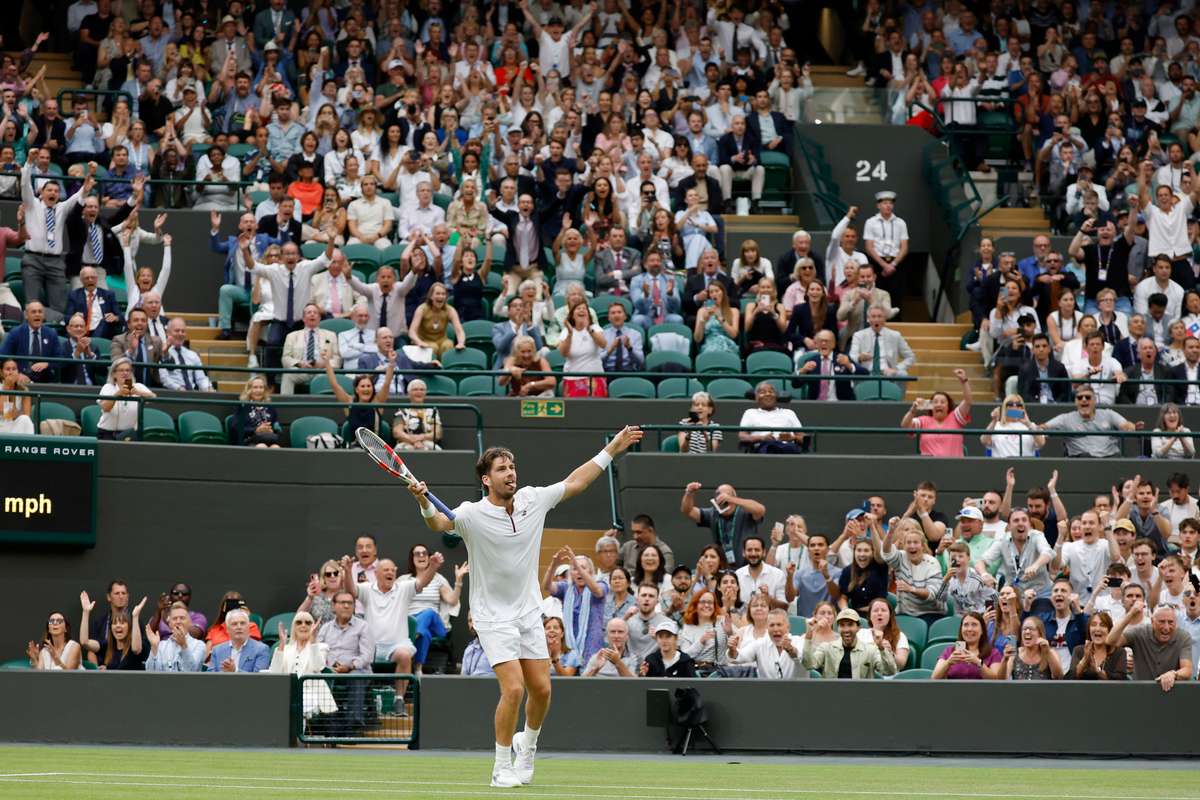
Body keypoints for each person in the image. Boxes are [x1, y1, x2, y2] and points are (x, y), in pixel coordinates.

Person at [408, 426, 643, 787]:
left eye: (512, 466)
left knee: (543, 690)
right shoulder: (470, 514)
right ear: (487, 479)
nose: (511, 472)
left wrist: (612, 448)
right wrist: (424, 501)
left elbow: (576, 482)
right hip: (492, 616)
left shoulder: (534, 499)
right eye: (502, 469)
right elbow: (439, 521)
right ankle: (501, 766)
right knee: (514, 689)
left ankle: (527, 744)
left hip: (529, 611)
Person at [542, 546, 608, 670]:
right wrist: (553, 565)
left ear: (590, 571)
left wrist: (576, 564)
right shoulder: (566, 588)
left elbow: (598, 592)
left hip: (591, 647)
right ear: (570, 573)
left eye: (583, 568)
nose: (578, 571)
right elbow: (547, 586)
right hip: (569, 648)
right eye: (575, 568)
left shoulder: (600, 584)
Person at [1107, 599, 1194, 691]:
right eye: (1162, 622)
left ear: (1176, 622)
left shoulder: (1183, 637)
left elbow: (1187, 670)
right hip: (1141, 692)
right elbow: (1111, 641)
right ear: (1152, 621)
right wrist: (1130, 614)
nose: (1166, 627)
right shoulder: (1139, 632)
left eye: (1170, 622)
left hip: (1170, 693)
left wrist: (1173, 674)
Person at [269, 611, 338, 718]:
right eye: (299, 622)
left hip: (311, 694)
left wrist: (313, 641)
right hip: (287, 692)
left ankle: (297, 734)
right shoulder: (284, 649)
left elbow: (318, 666)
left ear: (313, 626)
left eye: (308, 623)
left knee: (299, 706)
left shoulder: (320, 647)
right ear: (293, 627)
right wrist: (282, 644)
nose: (303, 625)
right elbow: (275, 672)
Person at [681, 482, 765, 568]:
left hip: (747, 567)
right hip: (723, 569)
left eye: (728, 495)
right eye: (721, 496)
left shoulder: (745, 512)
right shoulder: (713, 513)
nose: (725, 501)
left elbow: (760, 510)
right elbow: (688, 511)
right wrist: (689, 493)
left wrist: (731, 499)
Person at [1042, 389, 1141, 458]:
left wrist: (1133, 427)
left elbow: (1125, 425)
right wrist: (1035, 426)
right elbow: (1044, 427)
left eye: (1088, 397)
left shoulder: (1108, 414)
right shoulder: (1065, 419)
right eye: (1080, 398)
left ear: (1094, 400)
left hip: (1110, 457)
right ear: (1076, 402)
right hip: (1082, 460)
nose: (1084, 400)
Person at [802, 607, 897, 679]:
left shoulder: (870, 650)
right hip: (832, 698)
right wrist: (809, 636)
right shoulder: (826, 648)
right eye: (842, 625)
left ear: (858, 627)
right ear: (838, 628)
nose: (846, 629)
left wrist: (881, 648)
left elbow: (889, 671)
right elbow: (808, 665)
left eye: (850, 625)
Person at [882, 519, 946, 624]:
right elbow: (886, 553)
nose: (912, 546)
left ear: (922, 545)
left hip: (930, 613)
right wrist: (891, 531)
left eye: (915, 542)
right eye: (909, 543)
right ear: (904, 544)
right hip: (905, 614)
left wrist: (911, 589)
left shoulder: (932, 563)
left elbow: (932, 594)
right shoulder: (901, 557)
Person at [902, 369, 972, 457]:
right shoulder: (923, 420)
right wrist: (913, 411)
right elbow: (905, 426)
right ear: (930, 406)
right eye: (935, 402)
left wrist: (964, 381)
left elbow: (968, 401)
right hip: (929, 467)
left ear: (948, 406)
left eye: (942, 402)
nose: (939, 404)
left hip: (954, 466)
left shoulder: (956, 417)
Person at [930, 612, 1004, 679]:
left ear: (982, 630)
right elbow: (934, 678)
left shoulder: (993, 653)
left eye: (974, 625)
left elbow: (995, 679)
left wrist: (978, 662)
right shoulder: (949, 651)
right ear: (961, 629)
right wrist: (948, 662)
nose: (969, 629)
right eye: (966, 625)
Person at [558, 298, 607, 397]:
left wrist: (589, 329)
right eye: (578, 308)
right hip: (572, 378)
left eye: (584, 308)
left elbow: (603, 344)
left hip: (594, 377)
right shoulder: (566, 332)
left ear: (588, 314)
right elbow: (563, 353)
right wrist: (570, 334)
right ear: (572, 315)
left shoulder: (595, 328)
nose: (581, 310)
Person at [738, 381, 804, 454]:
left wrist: (793, 438)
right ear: (756, 397)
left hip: (787, 447)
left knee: (789, 447)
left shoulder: (789, 413)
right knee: (770, 445)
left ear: (776, 396)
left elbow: (803, 438)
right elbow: (742, 436)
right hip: (762, 448)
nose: (768, 394)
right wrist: (762, 438)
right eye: (763, 392)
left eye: (771, 391)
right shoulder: (750, 413)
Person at [849, 305, 915, 375]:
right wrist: (859, 358)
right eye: (873, 316)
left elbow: (910, 357)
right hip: (867, 372)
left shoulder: (895, 335)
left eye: (879, 316)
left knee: (902, 374)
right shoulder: (859, 335)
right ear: (868, 319)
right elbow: (852, 356)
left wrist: (896, 368)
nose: (876, 319)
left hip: (888, 372)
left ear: (884, 319)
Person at [144, 602, 206, 672]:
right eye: (174, 618)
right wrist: (154, 648)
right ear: (169, 623)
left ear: (190, 623)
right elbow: (150, 673)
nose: (178, 621)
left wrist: (184, 646)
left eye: (182, 618)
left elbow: (191, 671)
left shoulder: (199, 645)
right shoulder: (161, 645)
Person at [207, 608, 271, 673]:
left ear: (248, 627)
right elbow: (210, 677)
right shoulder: (217, 650)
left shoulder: (261, 649)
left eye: (242, 623)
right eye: (234, 624)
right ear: (227, 629)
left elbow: (259, 679)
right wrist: (225, 673)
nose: (239, 627)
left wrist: (235, 671)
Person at [858, 597, 911, 673]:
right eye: (875, 610)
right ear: (869, 616)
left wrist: (890, 653)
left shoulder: (900, 635)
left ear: (890, 615)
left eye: (883, 610)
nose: (879, 613)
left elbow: (901, 664)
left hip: (888, 678)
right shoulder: (861, 633)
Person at [1070, 612, 1127, 680]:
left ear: (1109, 630)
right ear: (1089, 629)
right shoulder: (1078, 650)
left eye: (1102, 625)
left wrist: (1097, 671)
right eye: (1093, 625)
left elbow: (1120, 680)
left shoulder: (1119, 652)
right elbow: (1069, 679)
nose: (1097, 629)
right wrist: (1084, 660)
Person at [234, 375, 280, 447]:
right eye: (255, 387)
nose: (258, 390)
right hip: (249, 440)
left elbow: (277, 428)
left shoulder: (270, 407)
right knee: (262, 446)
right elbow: (236, 427)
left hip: (267, 439)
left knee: (275, 447)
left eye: (261, 387)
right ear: (249, 389)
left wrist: (271, 430)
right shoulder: (243, 406)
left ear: (264, 390)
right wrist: (256, 429)